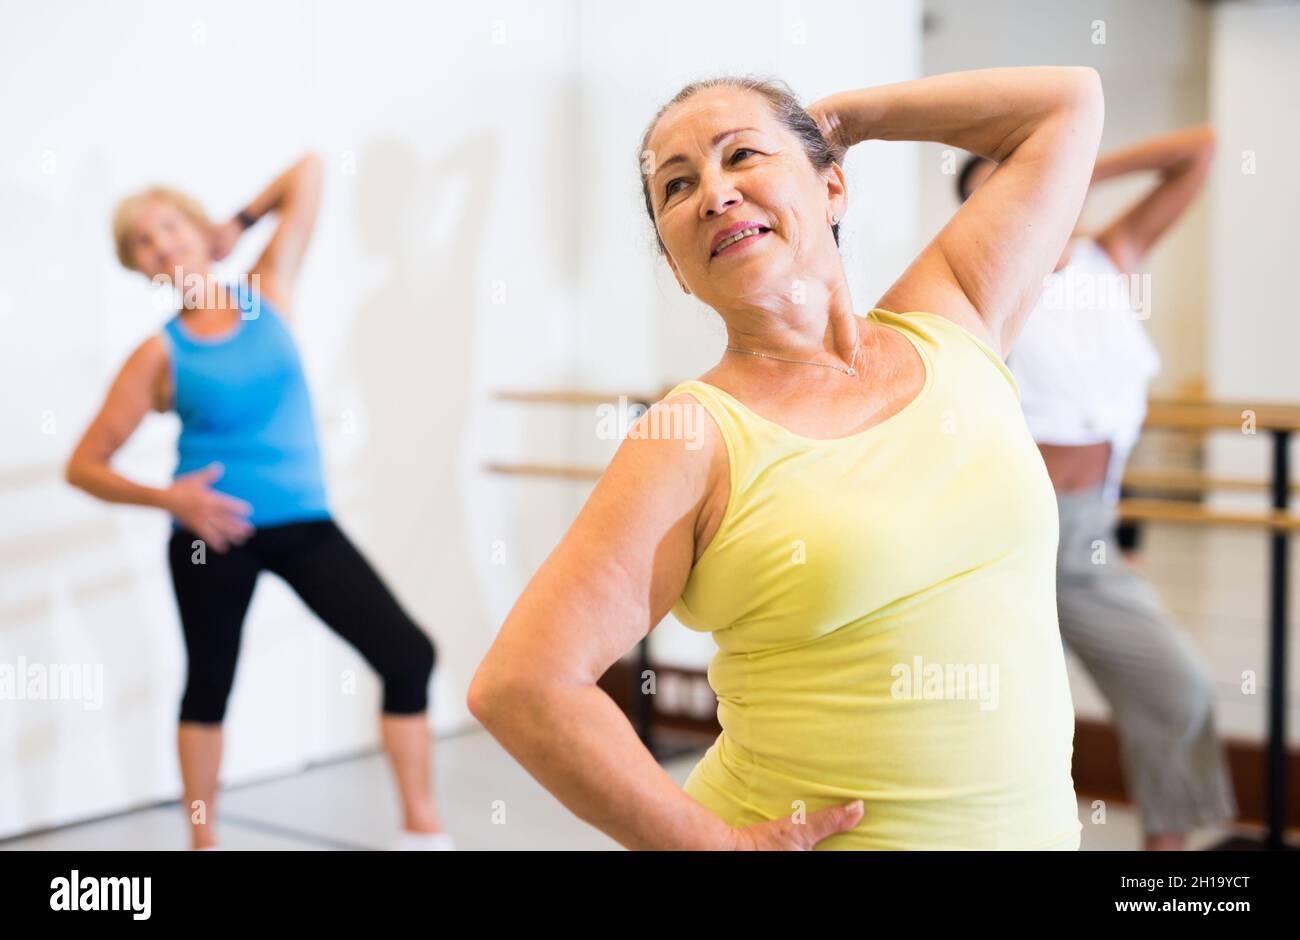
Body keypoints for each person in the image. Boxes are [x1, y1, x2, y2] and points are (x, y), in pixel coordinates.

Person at [469, 67, 1105, 849]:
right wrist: (716, 846)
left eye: (741, 156)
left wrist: (839, 119)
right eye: (675, 187)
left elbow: (1067, 104)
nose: (713, 193)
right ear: (678, 268)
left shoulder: (955, 314)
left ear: (833, 190)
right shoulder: (692, 438)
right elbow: (523, 685)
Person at [65, 155, 450, 851]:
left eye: (170, 227)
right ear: (141, 266)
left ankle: (422, 832)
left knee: (408, 656)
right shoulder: (159, 353)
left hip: (303, 524)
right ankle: (203, 843)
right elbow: (82, 466)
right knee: (209, 685)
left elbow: (309, 172)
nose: (164, 246)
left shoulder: (263, 290)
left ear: (194, 227)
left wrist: (236, 222)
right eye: (146, 243)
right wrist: (168, 498)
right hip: (212, 533)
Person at [958, 125, 1237, 850]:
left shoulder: (1108, 261)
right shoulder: (985, 292)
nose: (1028, 206)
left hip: (1086, 539)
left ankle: (1165, 868)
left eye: (1033, 188)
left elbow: (1199, 151)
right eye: (1003, 197)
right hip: (997, 541)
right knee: (984, 725)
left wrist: (1071, 165)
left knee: (1178, 690)